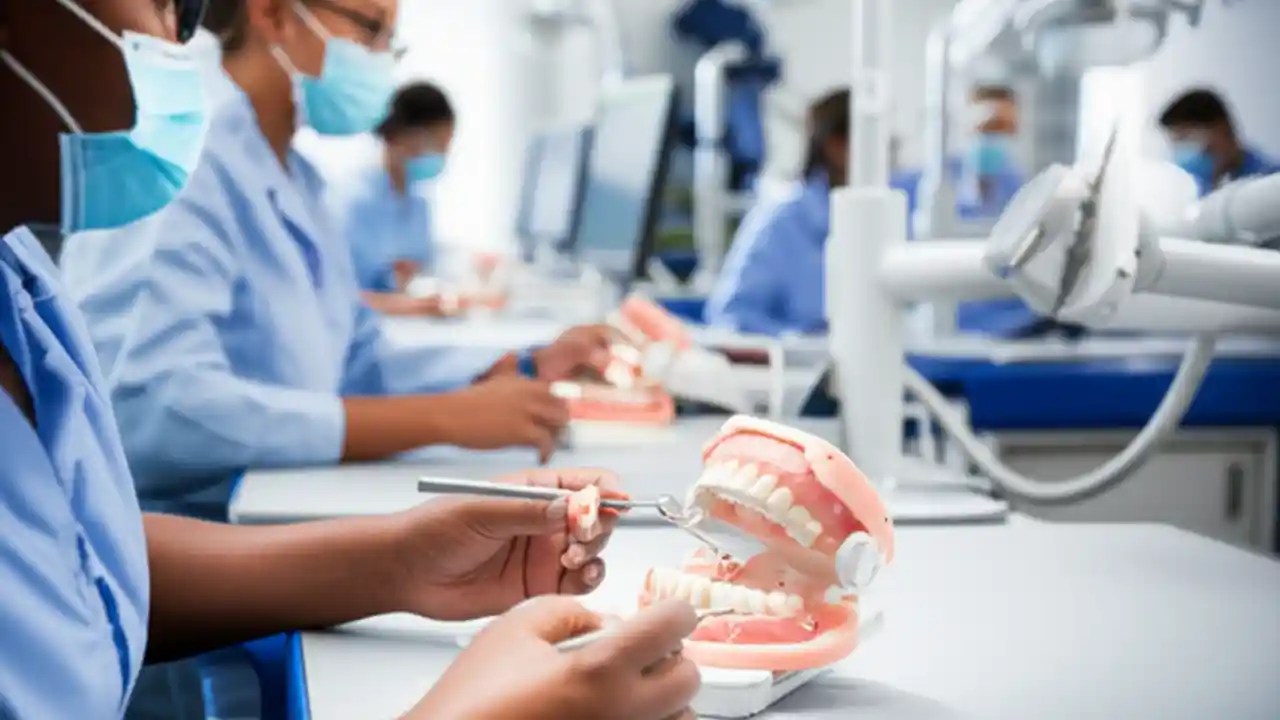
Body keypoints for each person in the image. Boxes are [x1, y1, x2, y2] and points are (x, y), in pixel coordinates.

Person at [0, 2, 701, 720]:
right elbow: (154, 408)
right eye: (369, 30)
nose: (181, 26)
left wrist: (403, 557)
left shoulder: (18, 262)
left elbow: (83, 544)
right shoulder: (199, 162)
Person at [60, 0, 613, 523]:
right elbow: (155, 407)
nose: (381, 61)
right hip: (186, 542)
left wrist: (516, 367)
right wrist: (444, 418)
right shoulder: (187, 155)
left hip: (273, 513)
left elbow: (356, 360)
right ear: (275, 13)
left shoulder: (294, 176)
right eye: (369, 29)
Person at [707, 88, 916, 336]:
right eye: (880, 142)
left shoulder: (894, 215)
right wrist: (807, 344)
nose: (889, 155)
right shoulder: (782, 221)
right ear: (836, 146)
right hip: (804, 367)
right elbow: (731, 317)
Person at [329, 80, 460, 317]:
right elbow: (334, 296)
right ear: (402, 136)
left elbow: (420, 271)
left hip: (403, 325)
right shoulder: (352, 202)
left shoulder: (417, 203)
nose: (442, 155)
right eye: (438, 144)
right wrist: (413, 305)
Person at [1159, 88, 1279, 196]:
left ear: (1221, 130)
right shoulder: (1206, 188)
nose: (1185, 153)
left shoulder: (1272, 183)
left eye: (1186, 140)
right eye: (1177, 145)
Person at [956, 84, 1024, 219]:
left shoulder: (1024, 192)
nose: (996, 135)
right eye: (989, 126)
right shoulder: (923, 185)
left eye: (1005, 128)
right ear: (967, 127)